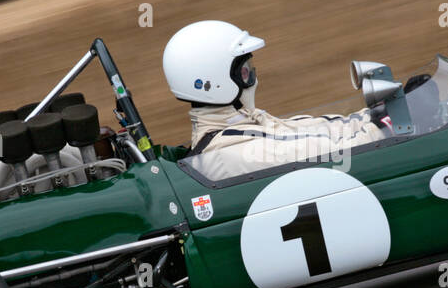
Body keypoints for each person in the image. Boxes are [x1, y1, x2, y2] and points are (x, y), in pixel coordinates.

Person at [162, 20, 387, 177]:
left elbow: (316, 131)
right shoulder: (228, 152)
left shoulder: (240, 125)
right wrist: (384, 127)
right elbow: (329, 151)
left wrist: (376, 113)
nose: (253, 77)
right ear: (217, 81)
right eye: (245, 71)